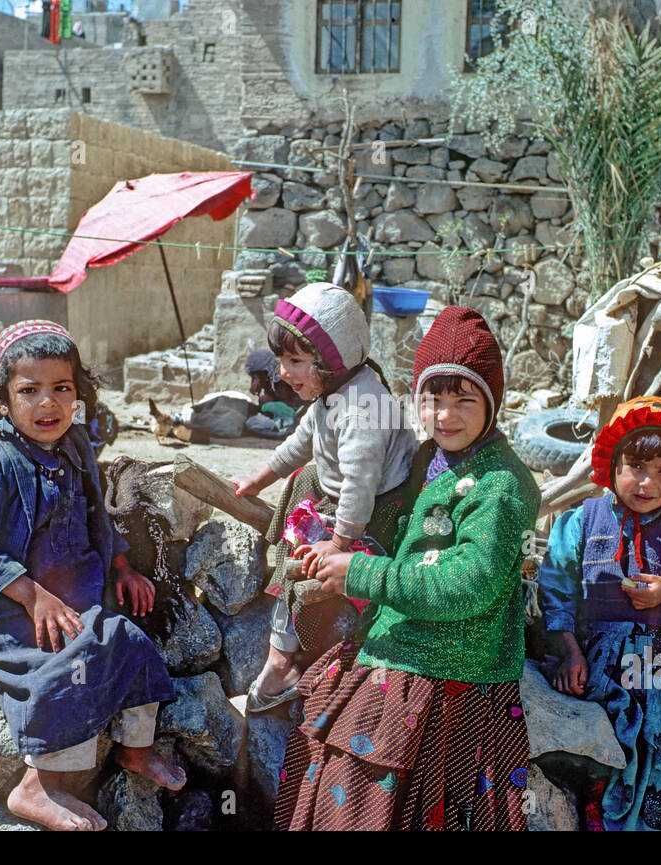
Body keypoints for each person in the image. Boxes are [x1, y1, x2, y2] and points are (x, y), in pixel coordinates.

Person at [274, 305, 541, 831]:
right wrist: (333, 546)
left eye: (464, 400)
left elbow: (467, 586)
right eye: (431, 399)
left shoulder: (502, 486)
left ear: (493, 402)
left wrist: (361, 574)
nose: (445, 416)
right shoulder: (429, 460)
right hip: (399, 641)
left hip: (453, 669)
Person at [0, 319, 185, 832]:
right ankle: (38, 786)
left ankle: (135, 751)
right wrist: (35, 599)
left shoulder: (75, 445)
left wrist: (120, 564)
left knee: (127, 638)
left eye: (61, 389)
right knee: (72, 664)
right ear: (3, 402)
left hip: (69, 597)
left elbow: (98, 512)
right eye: (28, 391)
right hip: (0, 607)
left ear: (79, 395)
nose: (47, 404)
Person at [538, 395, 661, 831]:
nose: (648, 483)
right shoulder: (580, 522)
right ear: (612, 465)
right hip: (605, 670)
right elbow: (555, 592)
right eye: (637, 467)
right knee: (607, 768)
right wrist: (570, 652)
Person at [231, 283, 415, 713]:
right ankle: (287, 555)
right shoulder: (332, 394)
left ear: (332, 362)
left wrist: (338, 544)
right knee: (304, 474)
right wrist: (258, 480)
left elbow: (359, 485)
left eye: (296, 361)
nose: (282, 373)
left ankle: (283, 662)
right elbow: (300, 442)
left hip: (372, 513)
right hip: (345, 495)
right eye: (281, 360)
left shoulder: (363, 408)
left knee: (305, 570)